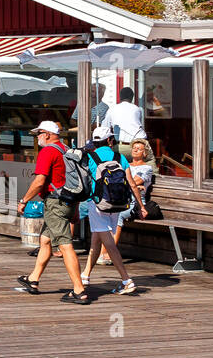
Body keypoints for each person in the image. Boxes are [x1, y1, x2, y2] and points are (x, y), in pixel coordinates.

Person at [14, 121, 89, 304]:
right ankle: (33, 279)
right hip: (69, 202)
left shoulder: (48, 151)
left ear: (47, 134)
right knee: (45, 239)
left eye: (38, 133)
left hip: (55, 203)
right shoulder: (66, 149)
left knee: (65, 245)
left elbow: (40, 181)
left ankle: (79, 290)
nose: (37, 137)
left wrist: (24, 200)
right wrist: (76, 207)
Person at [79, 129, 148, 294]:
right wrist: (141, 206)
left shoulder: (90, 157)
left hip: (97, 204)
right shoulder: (120, 158)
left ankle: (126, 280)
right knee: (97, 238)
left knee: (107, 240)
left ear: (94, 142)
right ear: (110, 140)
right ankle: (86, 275)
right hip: (116, 204)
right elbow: (131, 184)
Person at [111, 138, 156, 263]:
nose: (135, 150)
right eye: (134, 148)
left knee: (118, 215)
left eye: (139, 149)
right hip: (121, 198)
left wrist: (130, 185)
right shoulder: (125, 165)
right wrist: (130, 185)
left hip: (135, 202)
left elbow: (134, 182)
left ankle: (110, 252)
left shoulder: (146, 168)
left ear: (145, 154)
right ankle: (103, 252)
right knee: (106, 212)